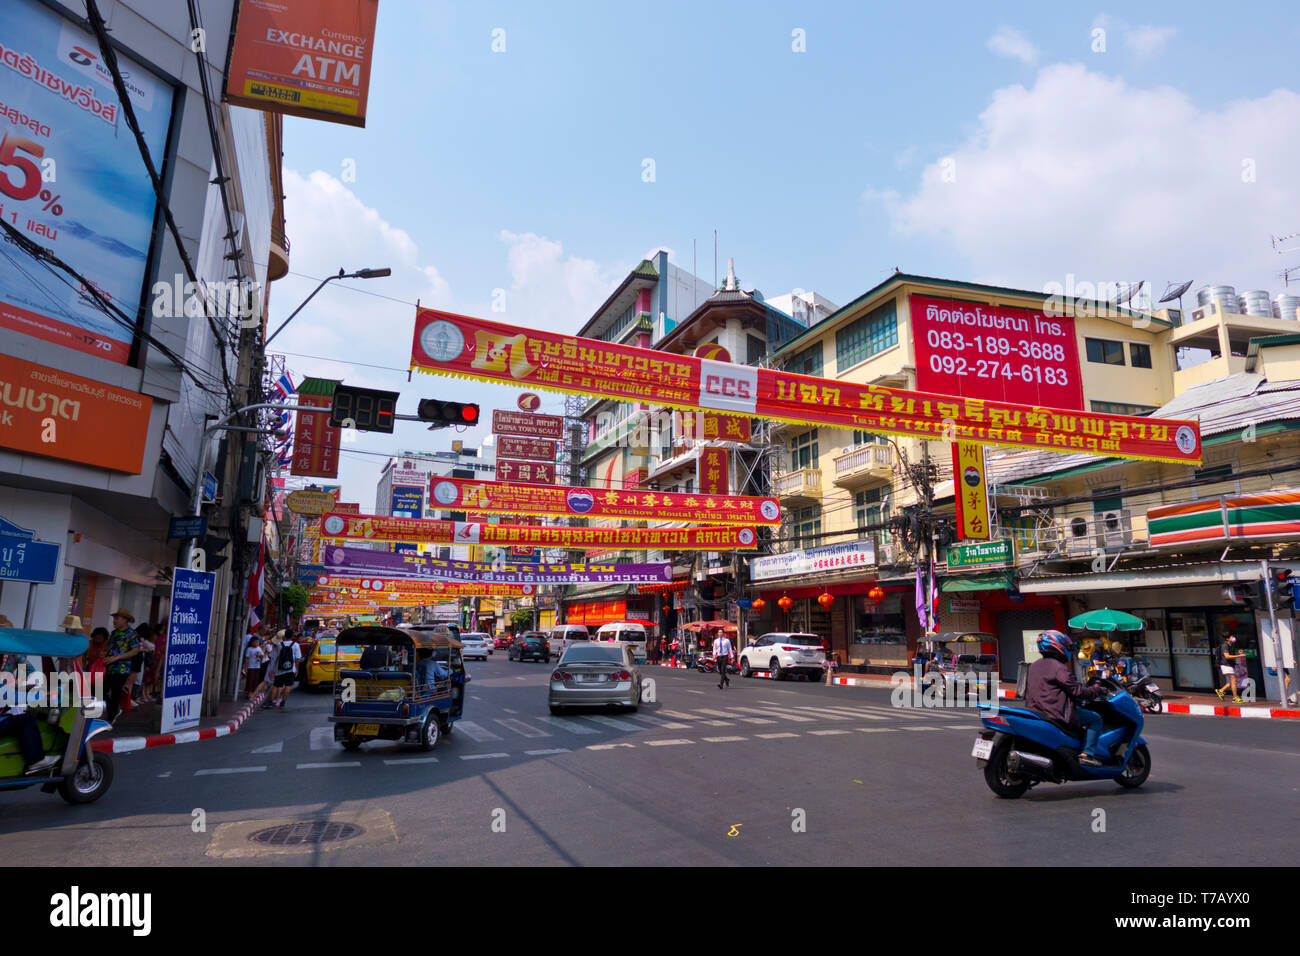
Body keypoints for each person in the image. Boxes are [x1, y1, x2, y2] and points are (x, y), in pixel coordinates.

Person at [1025, 630, 1110, 766]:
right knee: (1095, 719)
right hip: (1056, 713)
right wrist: (1097, 690)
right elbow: (1077, 692)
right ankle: (1087, 754)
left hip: (1037, 712)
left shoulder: (1034, 665)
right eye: (1066, 645)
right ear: (1057, 645)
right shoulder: (1059, 667)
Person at [0, 659, 60, 775]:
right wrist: (44, 694)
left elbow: (31, 674)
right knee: (26, 720)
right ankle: (36, 761)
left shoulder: (15, 655)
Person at [102, 609, 139, 724]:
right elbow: (111, 648)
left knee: (115, 693)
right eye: (114, 618)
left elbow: (135, 651)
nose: (114, 621)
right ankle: (114, 710)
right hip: (108, 667)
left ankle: (111, 716)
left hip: (122, 669)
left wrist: (117, 658)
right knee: (100, 692)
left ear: (125, 620)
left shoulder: (131, 634)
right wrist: (105, 654)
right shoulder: (114, 633)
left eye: (117, 618)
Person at [268, 628, 301, 709]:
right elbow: (298, 658)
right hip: (290, 668)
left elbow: (275, 657)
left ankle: (271, 701)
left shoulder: (279, 645)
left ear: (284, 636)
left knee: (276, 685)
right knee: (288, 685)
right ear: (293, 636)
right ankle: (283, 702)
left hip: (279, 669)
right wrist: (296, 669)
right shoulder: (296, 645)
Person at [1215, 635, 1246, 703]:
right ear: (1227, 638)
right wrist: (1239, 656)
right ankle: (1235, 697)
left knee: (1232, 682)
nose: (1234, 638)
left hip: (1230, 665)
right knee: (1233, 681)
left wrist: (1238, 653)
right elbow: (1227, 656)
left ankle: (1221, 691)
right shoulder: (1225, 645)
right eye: (1232, 637)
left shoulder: (1231, 645)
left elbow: (1231, 655)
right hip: (1226, 665)